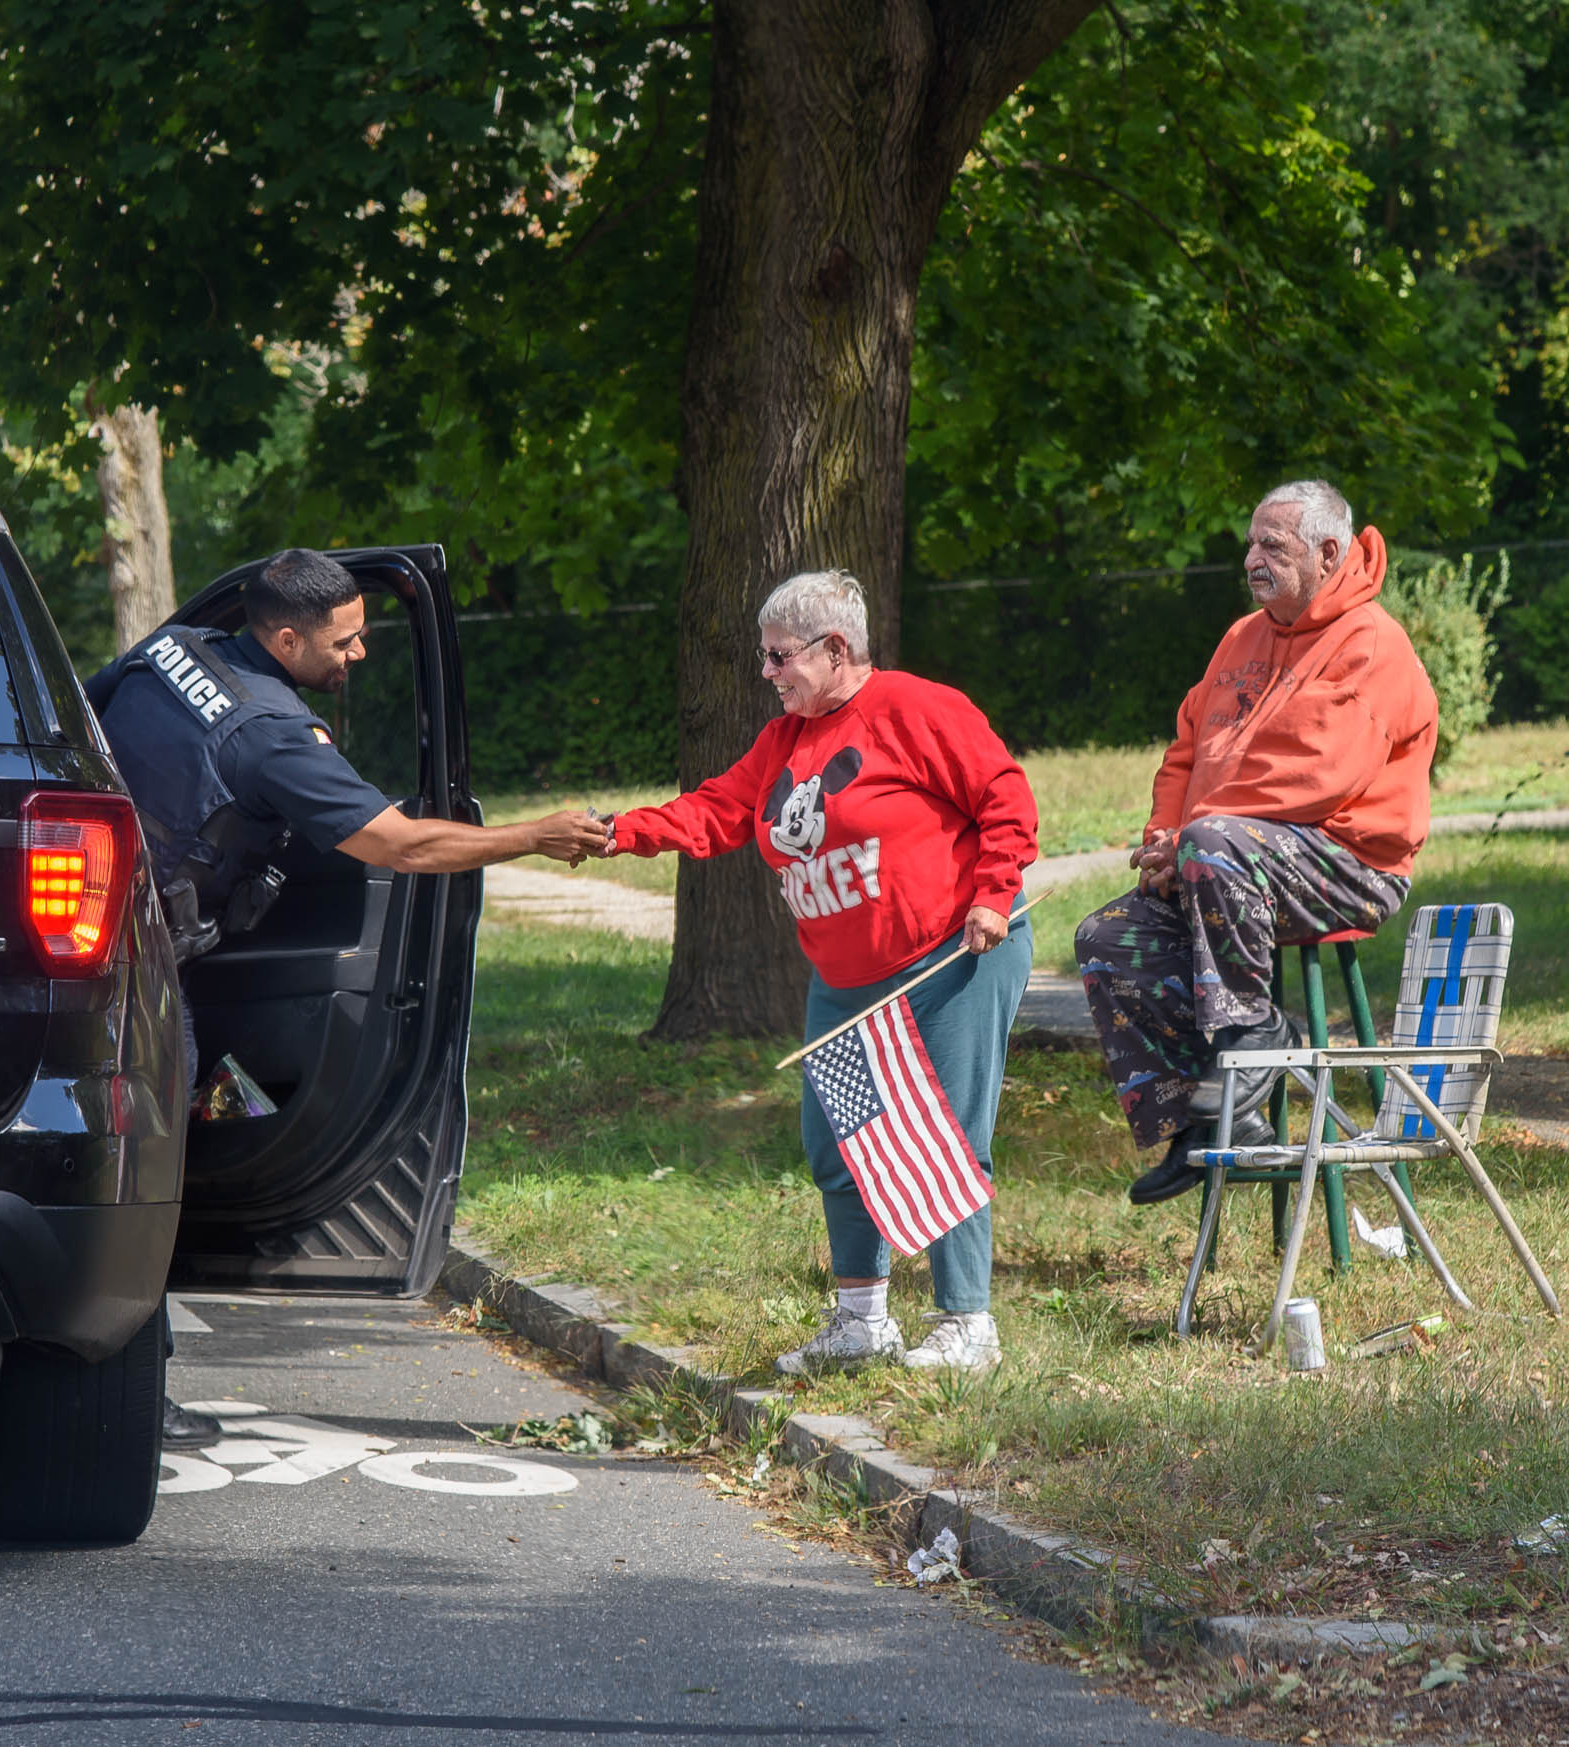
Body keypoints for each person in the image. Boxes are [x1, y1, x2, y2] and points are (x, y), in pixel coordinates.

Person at [89, 547, 608, 1445]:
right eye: (346, 640)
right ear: (285, 636)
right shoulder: (269, 736)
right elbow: (400, 847)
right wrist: (537, 833)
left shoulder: (170, 650)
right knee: (147, 1180)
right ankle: (123, 1387)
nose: (359, 653)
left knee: (117, 1161)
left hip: (85, 935)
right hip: (139, 968)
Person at [602, 569, 1036, 1374]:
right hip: (847, 975)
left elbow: (1004, 797)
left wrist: (994, 893)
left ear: (836, 649)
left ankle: (968, 1321)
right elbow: (717, 810)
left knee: (944, 1136)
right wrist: (618, 832)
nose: (766, 674)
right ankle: (862, 1321)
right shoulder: (785, 742)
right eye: (764, 657)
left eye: (779, 657)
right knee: (838, 1138)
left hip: (950, 953)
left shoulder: (917, 708)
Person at [1075, 479, 1436, 1207]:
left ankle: (1248, 1050)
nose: (1251, 558)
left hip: (1350, 863)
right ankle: (1204, 1116)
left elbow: (1322, 773)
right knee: (1105, 936)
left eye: (1272, 544)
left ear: (1329, 552)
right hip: (1224, 858)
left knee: (1214, 842)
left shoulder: (1371, 642)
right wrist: (1162, 837)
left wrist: (1194, 840)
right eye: (1250, 542)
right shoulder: (1242, 636)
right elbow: (1186, 748)